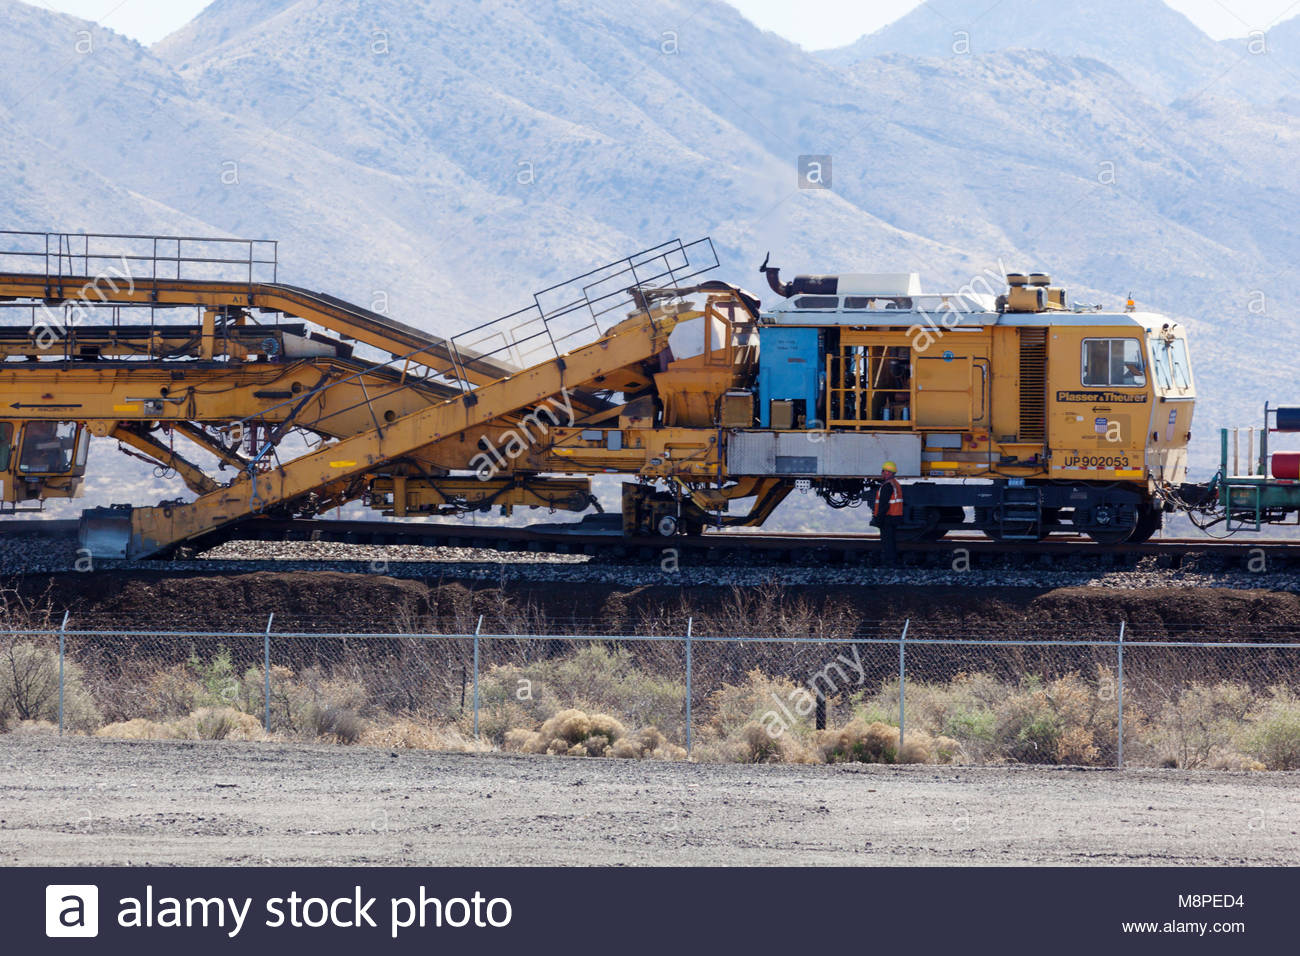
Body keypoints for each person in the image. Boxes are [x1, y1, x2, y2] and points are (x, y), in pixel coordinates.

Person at [872, 461, 905, 566]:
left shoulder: (887, 486)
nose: (884, 473)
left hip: (888, 517)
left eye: (886, 472)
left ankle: (890, 562)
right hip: (894, 517)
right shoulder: (895, 483)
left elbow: (883, 505)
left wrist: (878, 520)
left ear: (890, 473)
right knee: (891, 540)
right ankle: (893, 560)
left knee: (887, 541)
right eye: (883, 471)